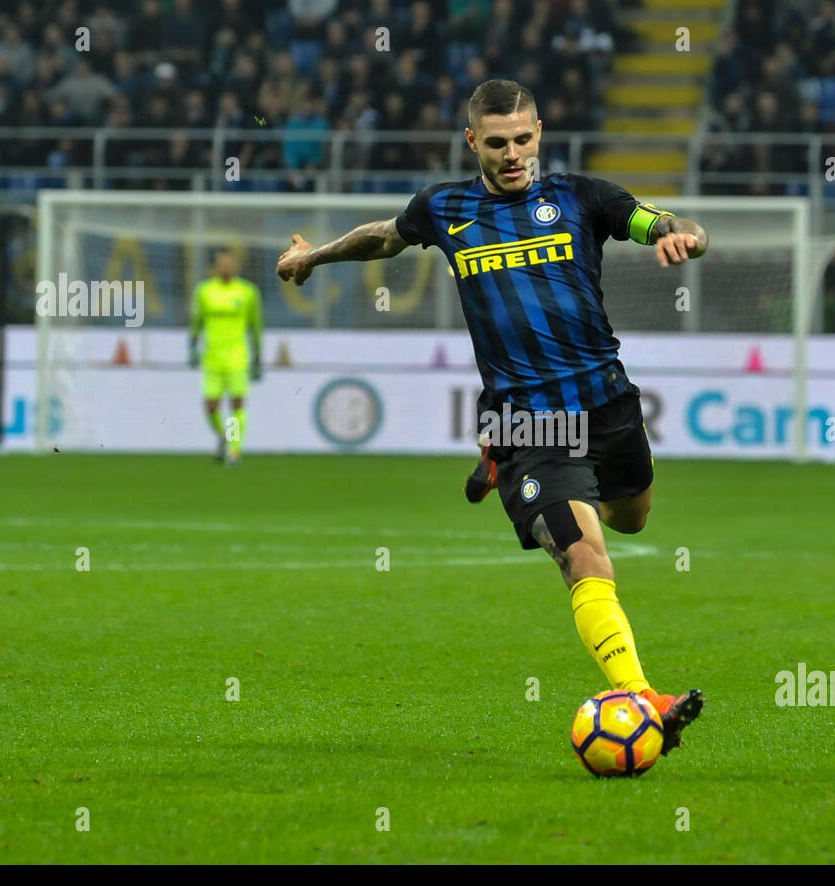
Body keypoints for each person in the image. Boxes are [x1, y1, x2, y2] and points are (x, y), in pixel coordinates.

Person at [277, 79, 709, 754]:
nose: (514, 155)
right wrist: (313, 256)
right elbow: (383, 239)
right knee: (585, 555)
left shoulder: (580, 198)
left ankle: (492, 455)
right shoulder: (445, 209)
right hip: (530, 424)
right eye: (499, 143)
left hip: (607, 405)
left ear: (540, 134)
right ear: (472, 141)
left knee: (633, 518)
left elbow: (667, 223)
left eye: (524, 140)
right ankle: (642, 694)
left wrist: (684, 238)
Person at [190, 249, 262, 466]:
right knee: (211, 407)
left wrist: (258, 355)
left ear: (236, 266)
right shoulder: (204, 291)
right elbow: (197, 321)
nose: (227, 267)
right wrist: (191, 345)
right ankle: (224, 435)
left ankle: (233, 450)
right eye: (222, 263)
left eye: (230, 263)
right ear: (216, 266)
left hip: (237, 357)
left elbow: (256, 326)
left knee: (237, 405)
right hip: (211, 357)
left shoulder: (247, 292)